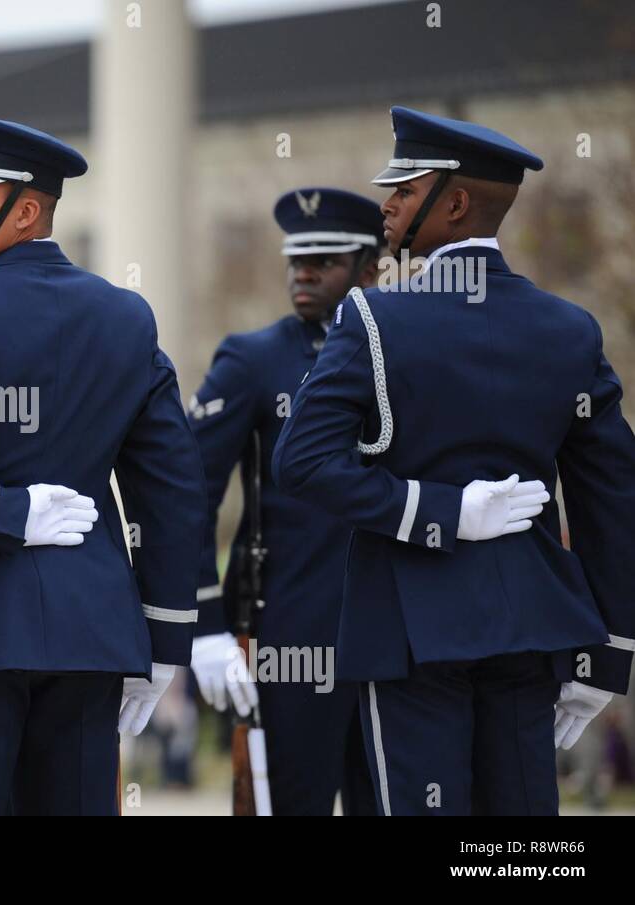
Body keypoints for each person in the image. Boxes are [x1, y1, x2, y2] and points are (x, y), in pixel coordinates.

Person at [273, 106, 635, 815]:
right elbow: (614, 498)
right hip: (531, 626)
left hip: (411, 627)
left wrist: (440, 512)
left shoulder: (374, 318)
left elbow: (303, 460)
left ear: (456, 202)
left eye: (404, 190)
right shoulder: (569, 328)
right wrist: (608, 652)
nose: (387, 205)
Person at [0, 112, 209, 815]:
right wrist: (166, 636)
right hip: (92, 636)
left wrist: (5, 512)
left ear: (25, 212)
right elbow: (171, 489)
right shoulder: (127, 318)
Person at [188, 188, 383, 815]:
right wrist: (205, 625)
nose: (304, 272)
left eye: (324, 260)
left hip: (396, 632)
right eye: (297, 260)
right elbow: (189, 492)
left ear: (370, 267)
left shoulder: (407, 351)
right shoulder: (253, 360)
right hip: (288, 634)